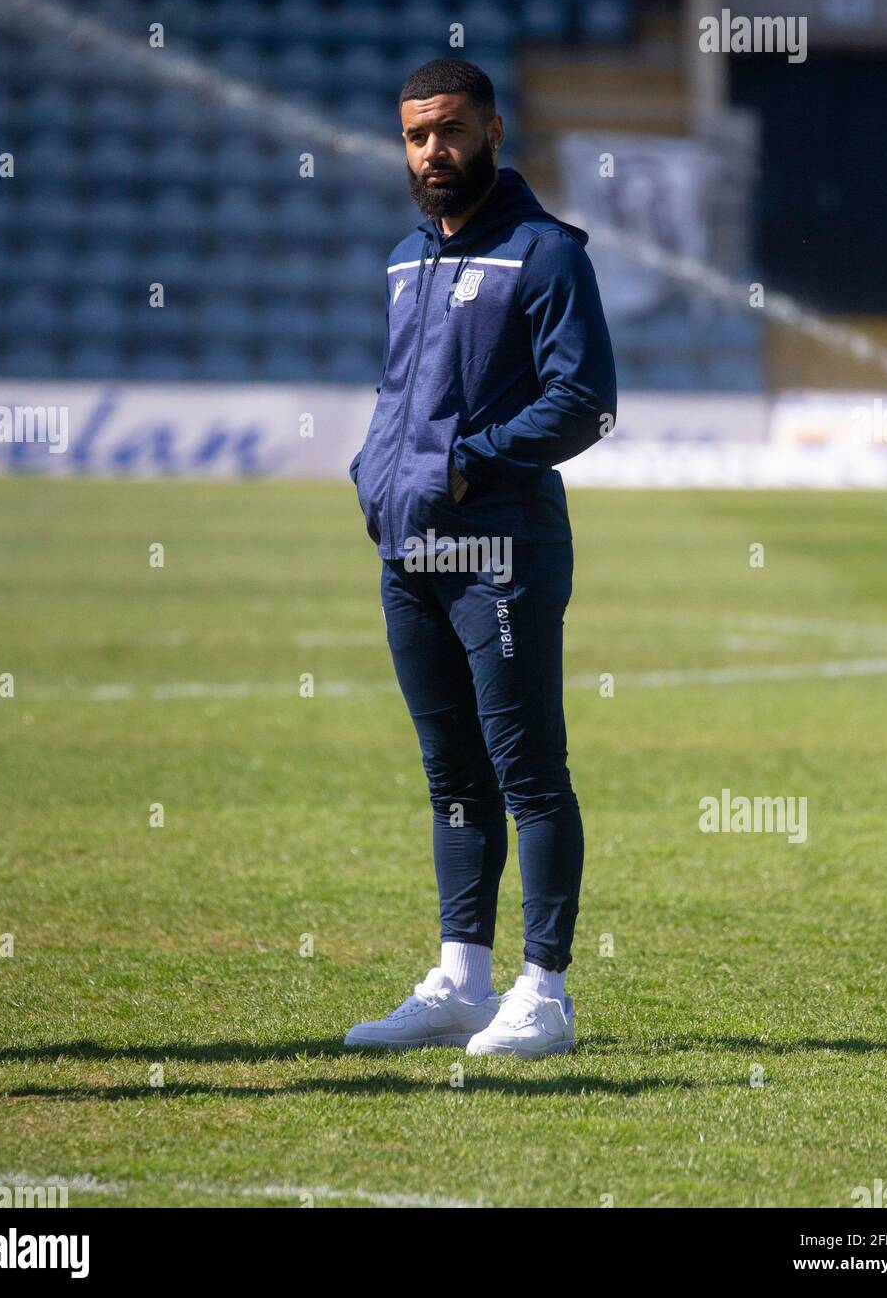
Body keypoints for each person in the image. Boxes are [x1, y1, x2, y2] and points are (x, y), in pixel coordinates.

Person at [345, 58, 615, 1058]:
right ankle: (462, 979)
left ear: (494, 133)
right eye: (416, 135)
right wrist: (375, 470)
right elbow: (395, 395)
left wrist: (465, 465)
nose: (432, 153)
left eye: (450, 131)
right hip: (408, 550)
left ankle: (543, 994)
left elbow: (584, 400)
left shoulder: (544, 255)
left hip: (500, 544)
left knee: (527, 772)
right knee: (448, 771)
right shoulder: (402, 260)